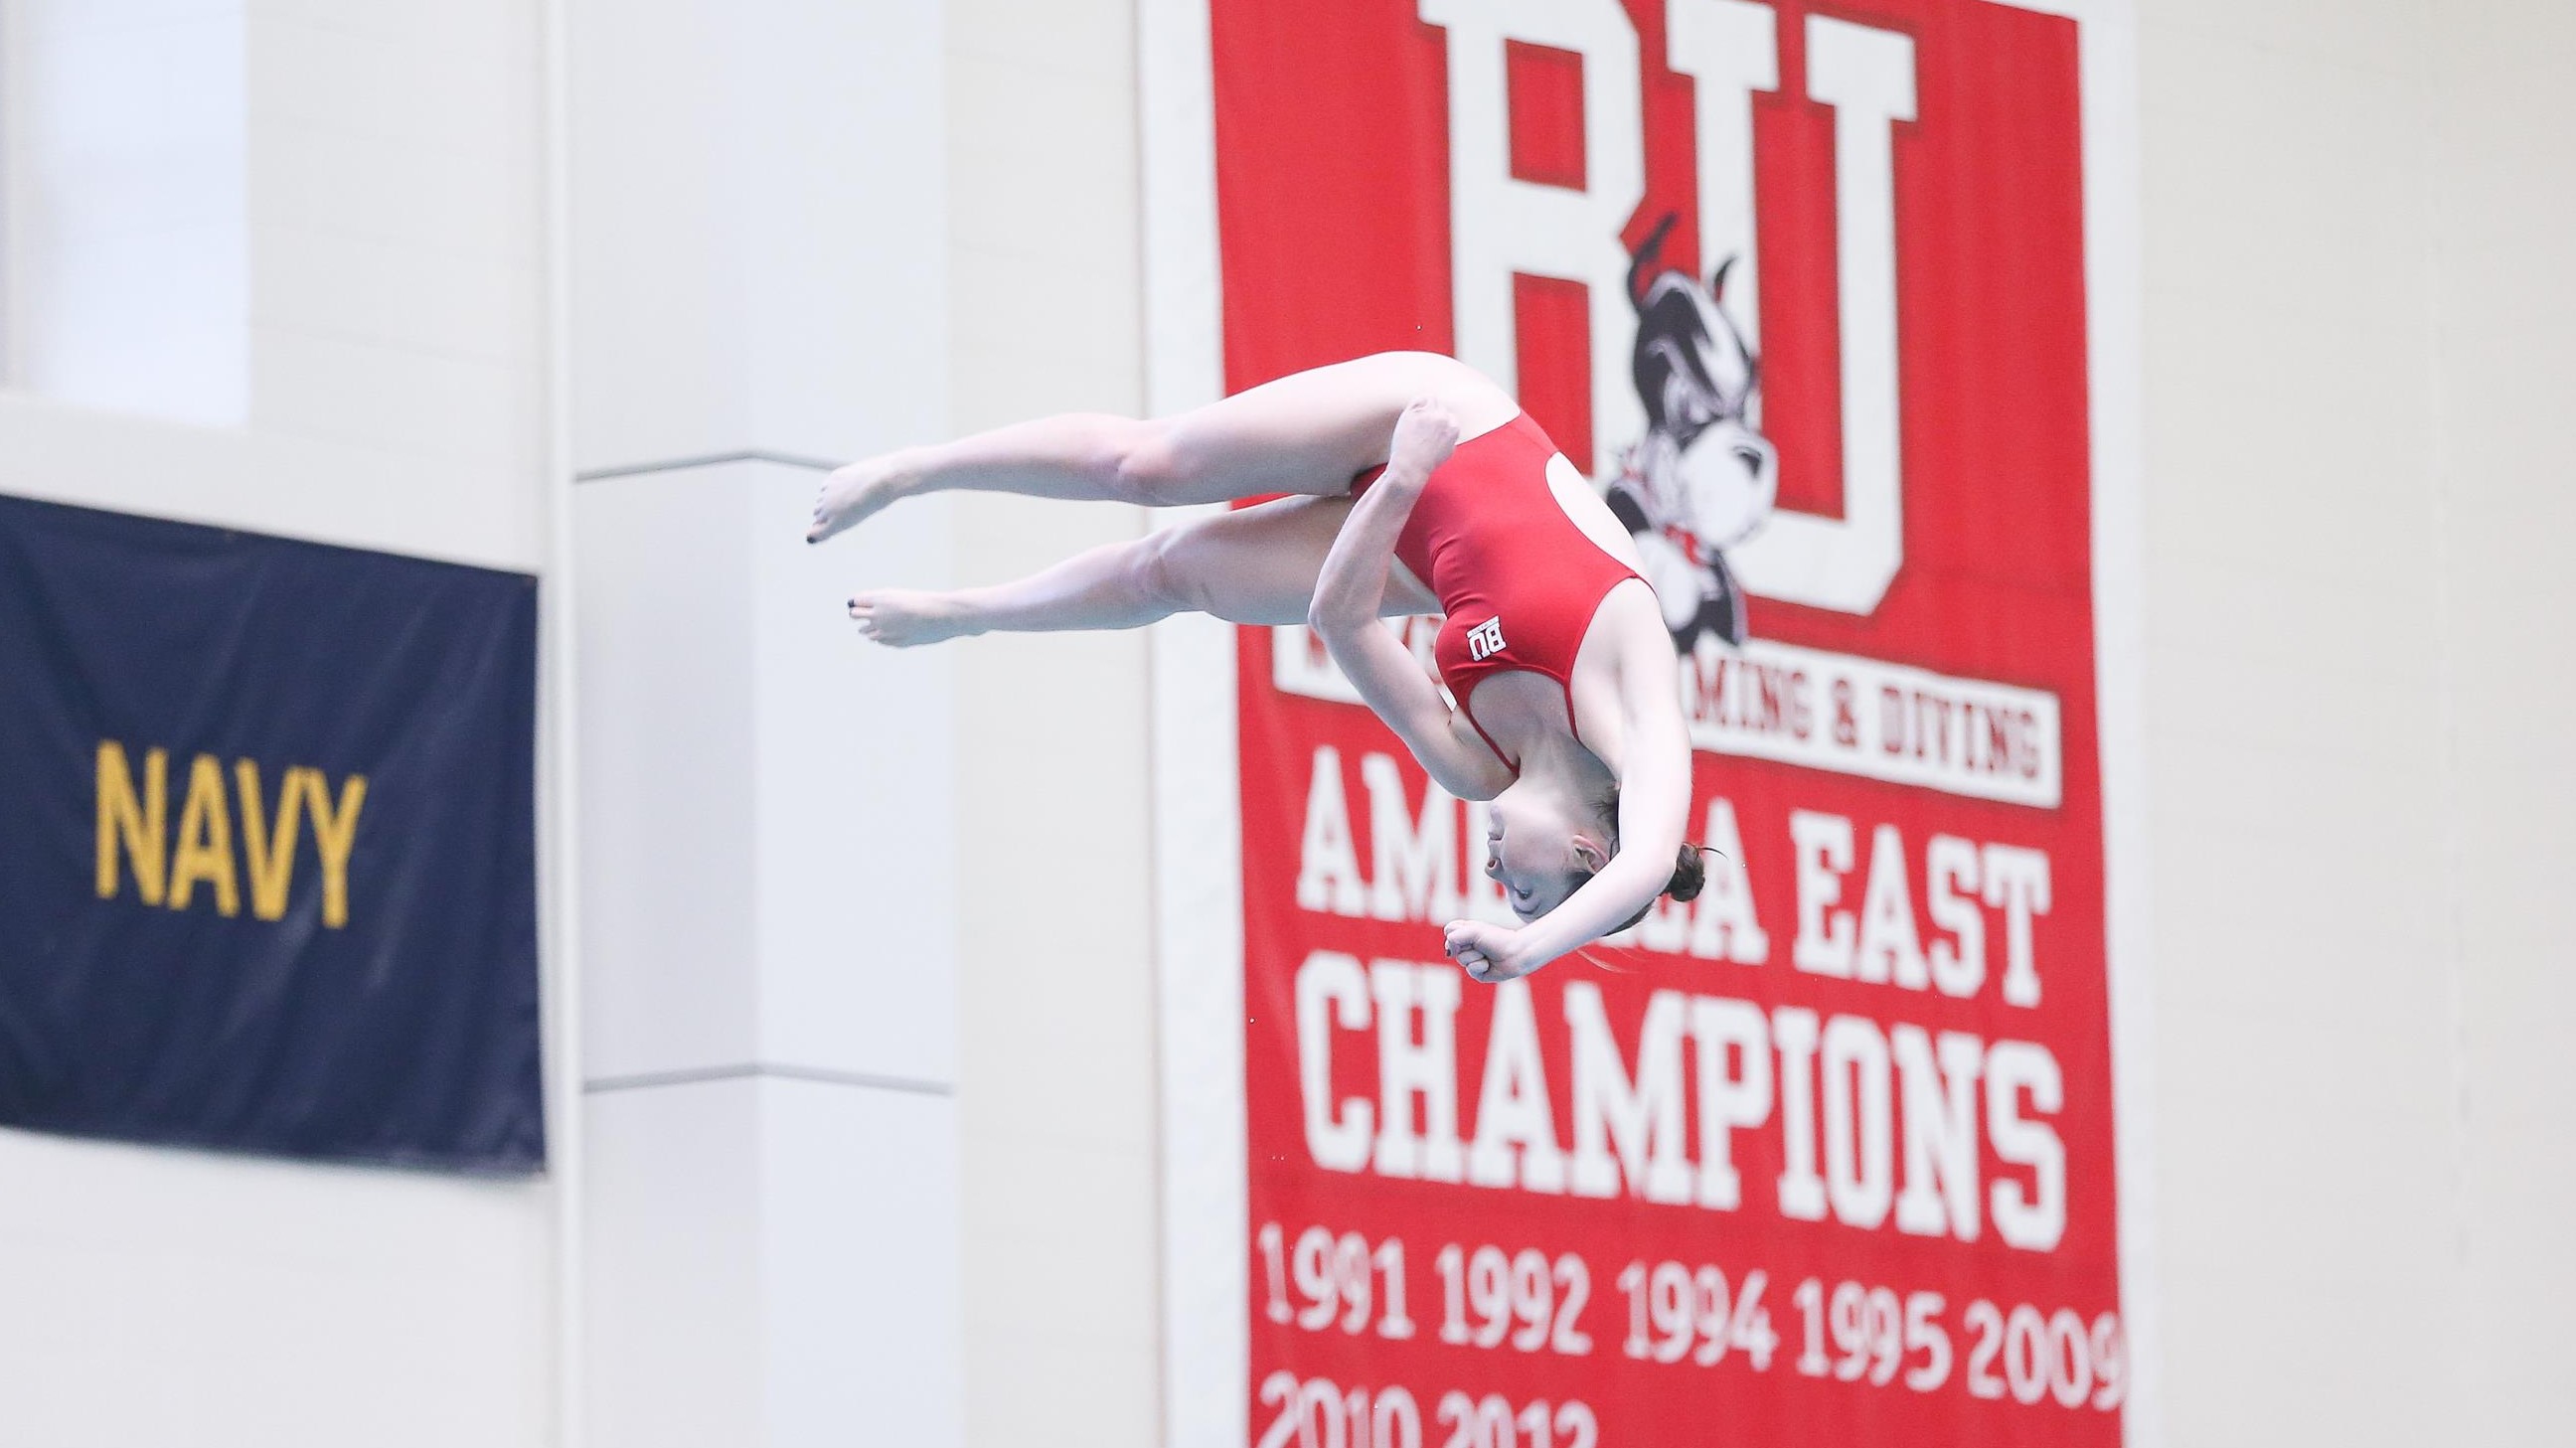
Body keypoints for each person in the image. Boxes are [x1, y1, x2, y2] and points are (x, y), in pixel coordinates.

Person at [806, 351, 1701, 982]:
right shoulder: (1629, 699)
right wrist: (1525, 949)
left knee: (1173, 574)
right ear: (1591, 846)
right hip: (1447, 422)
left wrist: (1395, 490)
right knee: (1147, 465)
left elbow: (1338, 619)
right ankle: (913, 470)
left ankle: (969, 615)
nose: (1499, 879)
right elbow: (1651, 860)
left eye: (1507, 896)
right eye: (1527, 888)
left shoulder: (1473, 766)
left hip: (1404, 530)